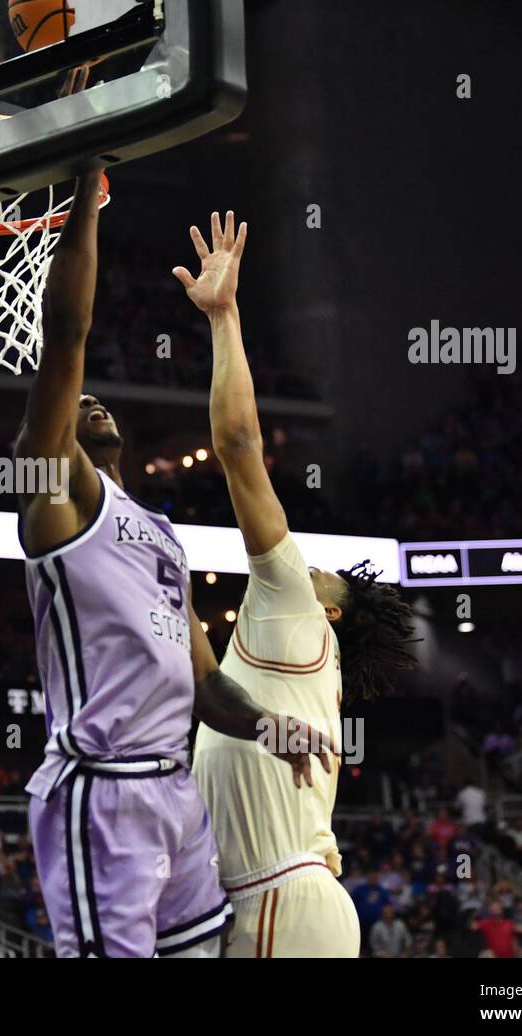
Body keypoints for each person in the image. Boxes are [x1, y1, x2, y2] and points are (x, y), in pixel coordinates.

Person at [15, 173, 327, 958]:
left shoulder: (158, 535)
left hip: (176, 793)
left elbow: (207, 685)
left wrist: (269, 727)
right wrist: (84, 191)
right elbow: (67, 332)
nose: (94, 404)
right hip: (103, 792)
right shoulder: (53, 500)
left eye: (100, 402)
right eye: (75, 406)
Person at [175, 211, 419, 957]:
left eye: (326, 576)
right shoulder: (294, 647)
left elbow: (240, 444)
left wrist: (225, 317)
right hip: (272, 899)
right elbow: (202, 677)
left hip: (280, 898)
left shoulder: (294, 607)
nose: (308, 566)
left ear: (333, 614)